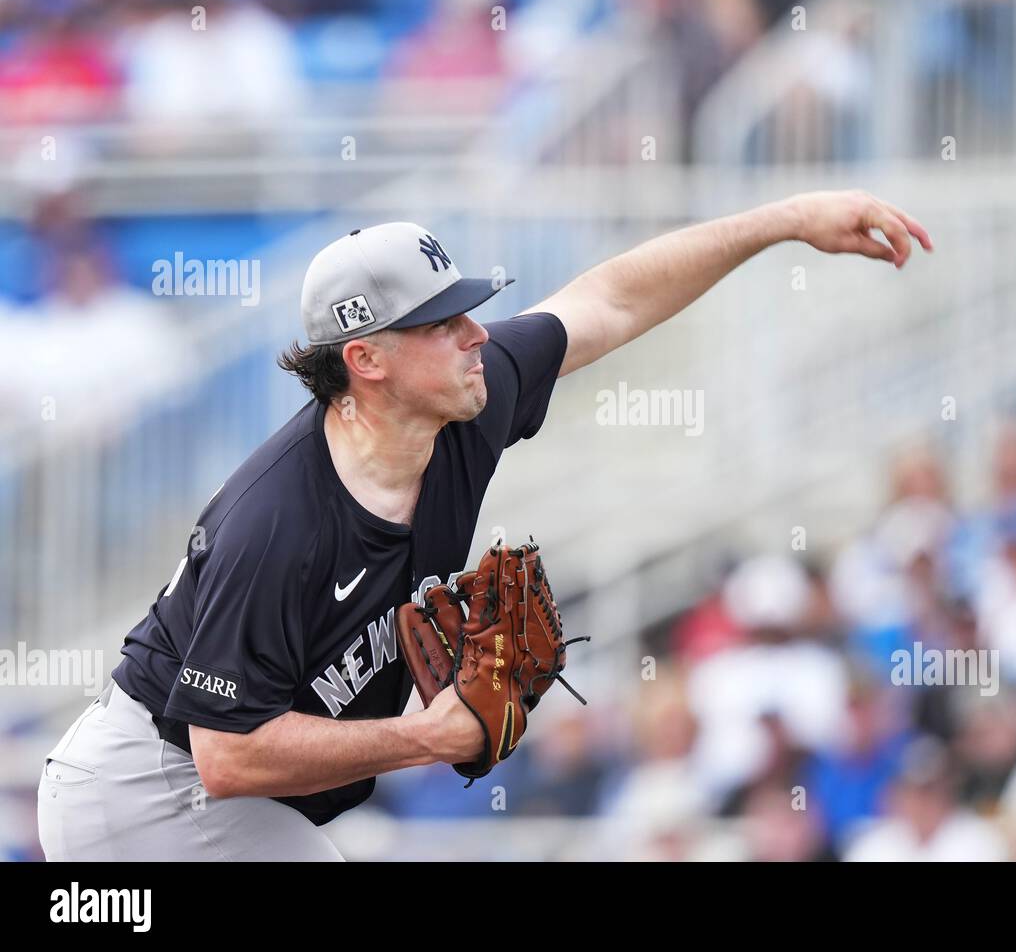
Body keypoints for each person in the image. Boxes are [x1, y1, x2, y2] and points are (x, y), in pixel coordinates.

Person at [35, 190, 931, 861]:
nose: (474, 332)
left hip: (228, 794)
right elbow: (226, 754)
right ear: (367, 361)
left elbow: (609, 301)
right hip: (142, 796)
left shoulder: (467, 402)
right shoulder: (277, 522)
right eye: (441, 320)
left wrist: (782, 221)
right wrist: (426, 737)